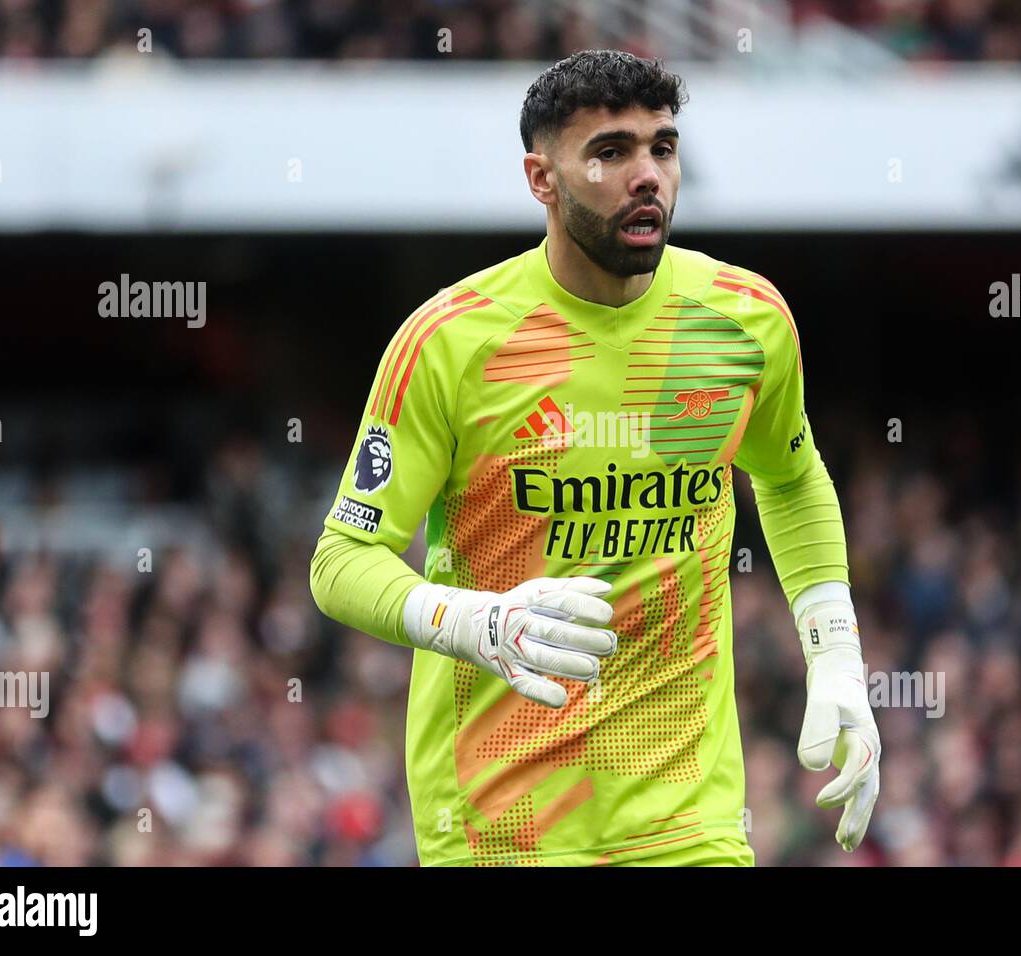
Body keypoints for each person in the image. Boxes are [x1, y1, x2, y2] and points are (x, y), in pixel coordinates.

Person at [310, 49, 880, 867]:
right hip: (499, 820)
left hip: (690, 818)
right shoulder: (450, 341)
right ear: (542, 179)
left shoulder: (742, 322)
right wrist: (471, 620)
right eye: (610, 152)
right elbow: (341, 560)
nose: (646, 175)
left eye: (662, 148)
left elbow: (789, 475)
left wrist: (836, 654)